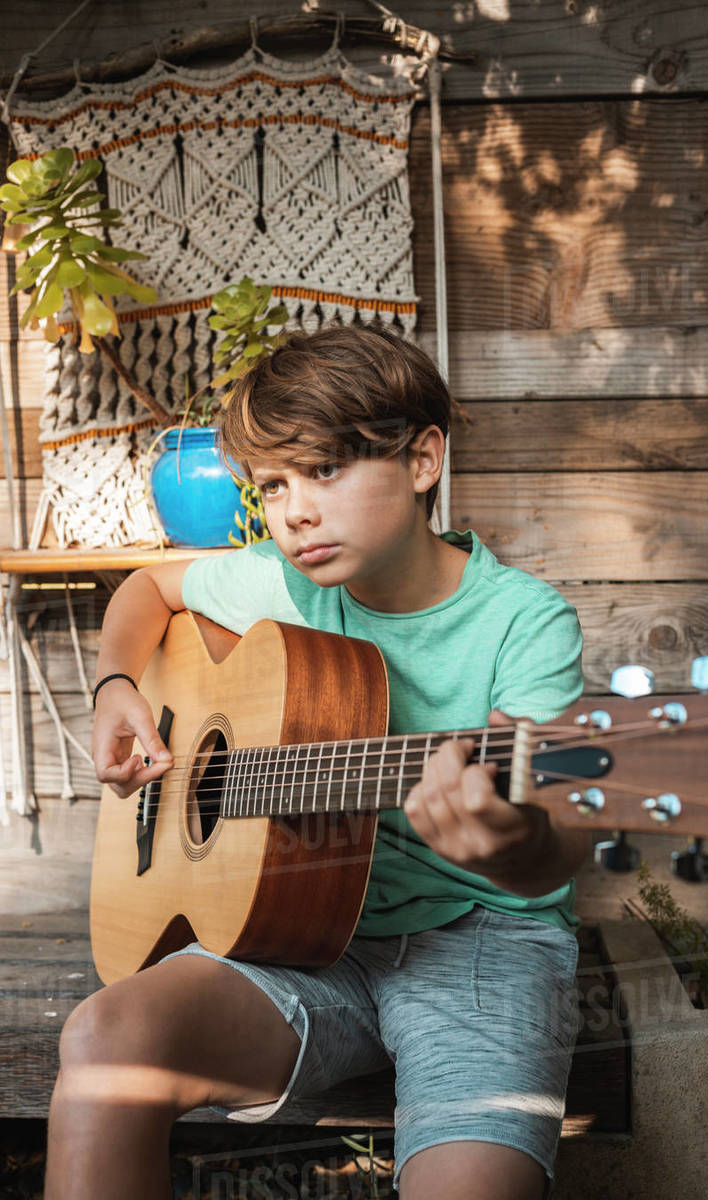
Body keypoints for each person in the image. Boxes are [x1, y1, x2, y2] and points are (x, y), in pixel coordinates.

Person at [46, 324, 591, 1200]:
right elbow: (148, 589)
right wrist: (116, 686)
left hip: (481, 944)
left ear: (422, 460)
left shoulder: (523, 624)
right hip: (300, 944)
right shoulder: (275, 581)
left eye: (324, 471)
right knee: (107, 1040)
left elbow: (561, 840)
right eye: (272, 484)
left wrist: (509, 840)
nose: (293, 510)